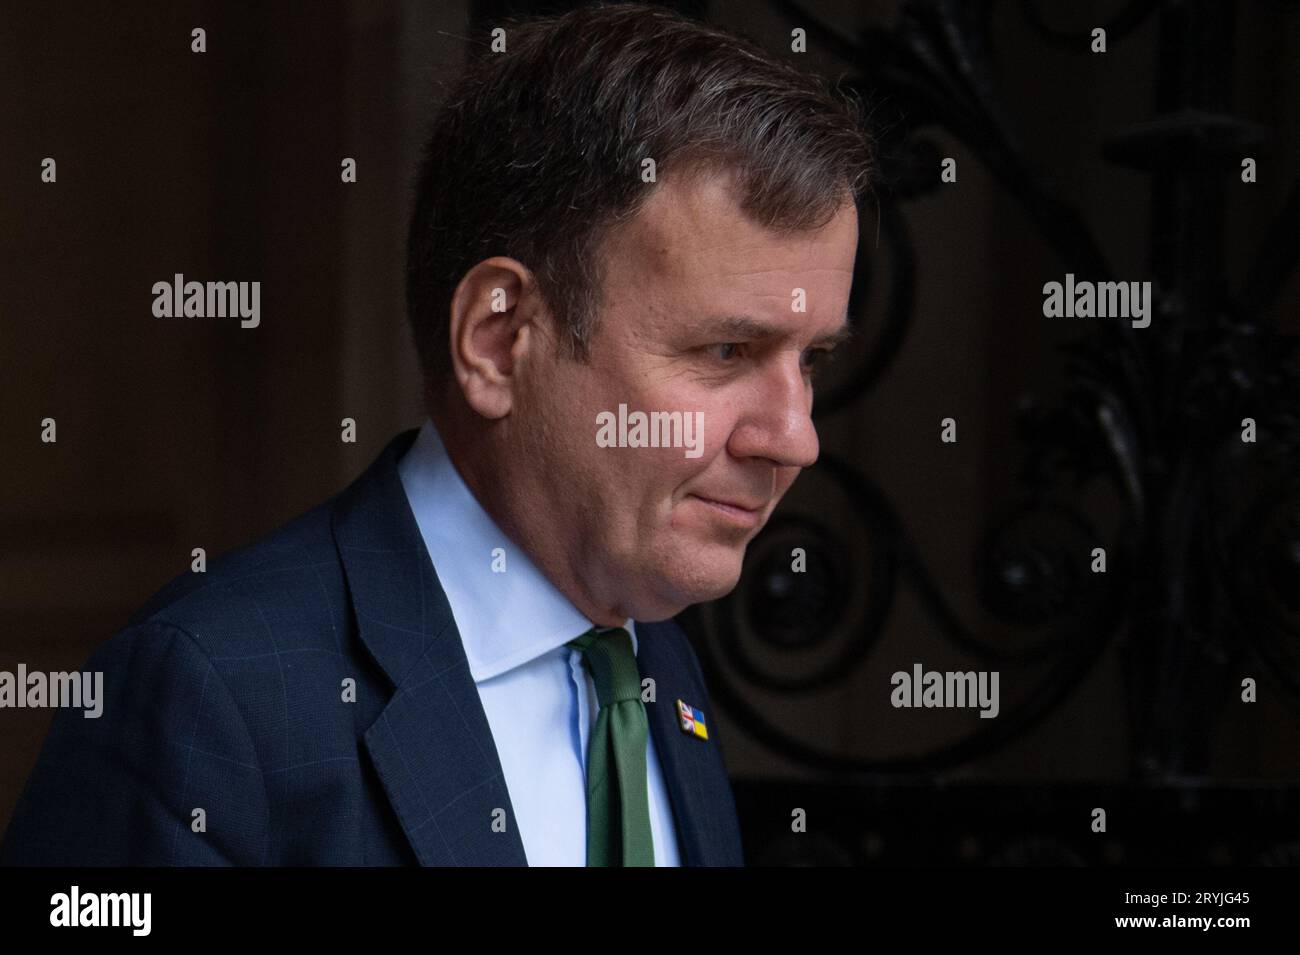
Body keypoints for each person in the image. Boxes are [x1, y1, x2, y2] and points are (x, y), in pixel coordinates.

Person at [1, 2, 871, 866]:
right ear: (497, 342)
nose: (795, 439)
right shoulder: (209, 696)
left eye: (813, 362)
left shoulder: (656, 662)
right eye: (726, 350)